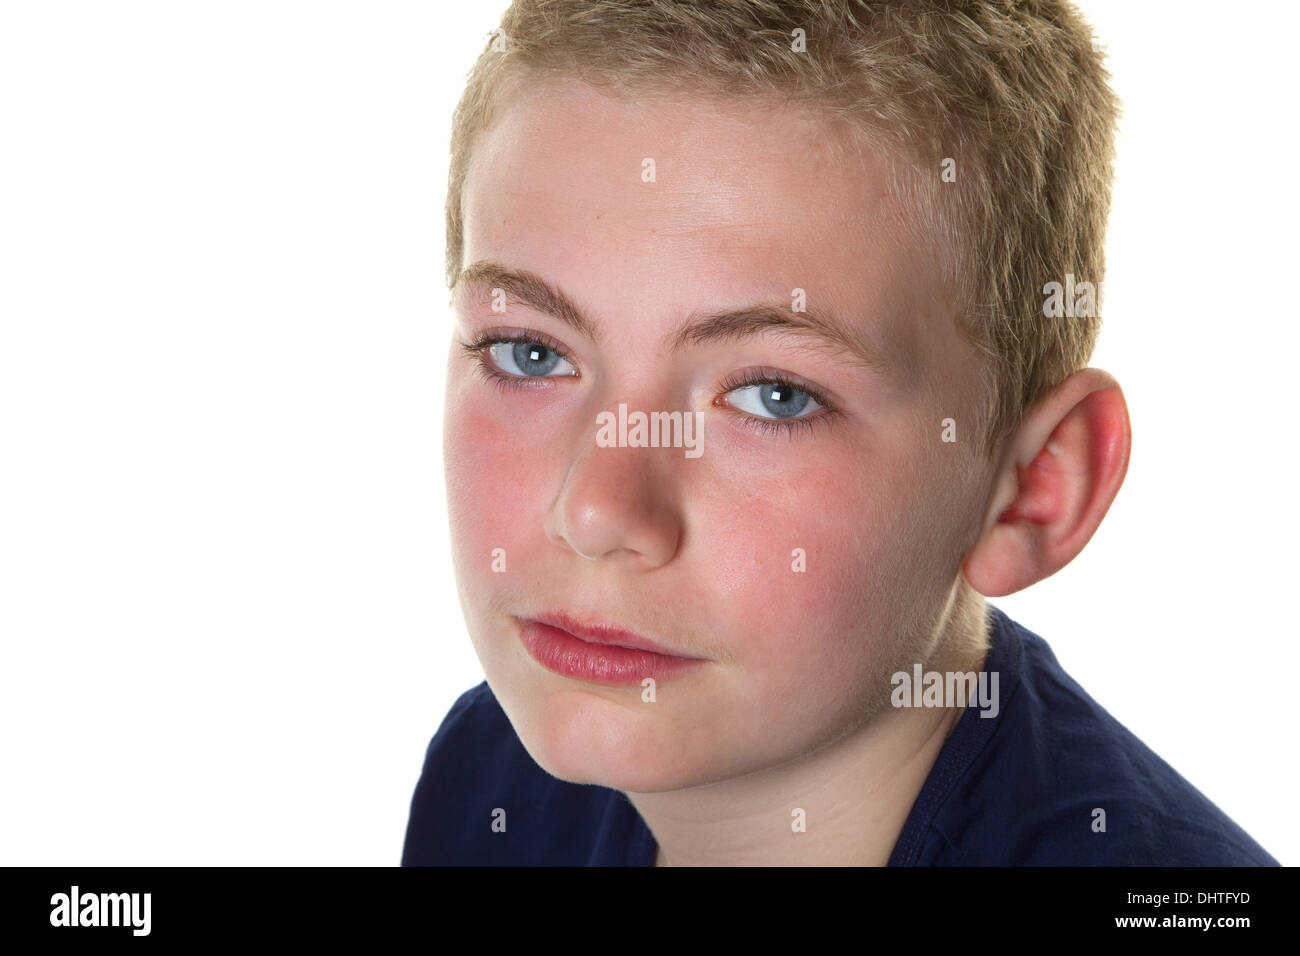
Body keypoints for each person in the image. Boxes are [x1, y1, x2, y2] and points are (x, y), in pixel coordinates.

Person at [401, 0, 1278, 866]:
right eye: (529, 352)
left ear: (1036, 486)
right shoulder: (492, 782)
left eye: (775, 397)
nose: (595, 511)